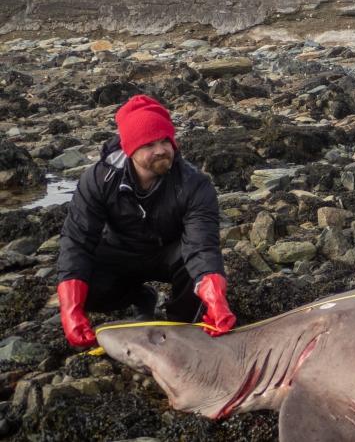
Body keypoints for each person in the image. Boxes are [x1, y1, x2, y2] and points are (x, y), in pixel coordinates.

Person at [56, 95, 235, 347]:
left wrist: (215, 296)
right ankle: (140, 297)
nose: (161, 150)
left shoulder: (194, 184)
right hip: (120, 251)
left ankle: (182, 326)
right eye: (149, 144)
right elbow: (77, 240)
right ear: (131, 149)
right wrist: (71, 307)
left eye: (165, 141)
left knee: (194, 267)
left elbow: (202, 245)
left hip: (169, 254)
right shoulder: (99, 179)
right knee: (85, 280)